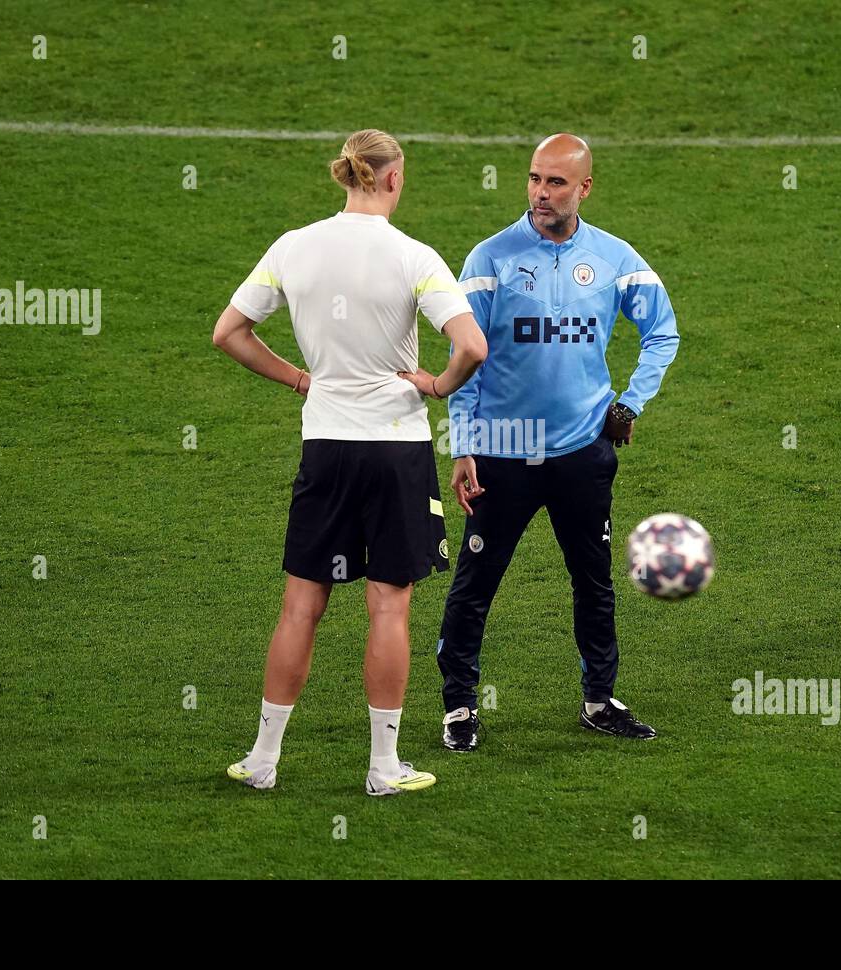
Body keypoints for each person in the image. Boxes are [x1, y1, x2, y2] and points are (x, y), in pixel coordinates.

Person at [211, 129, 487, 794]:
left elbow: (229, 334)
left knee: (300, 606)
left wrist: (301, 380)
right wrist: (437, 385)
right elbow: (471, 346)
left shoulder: (293, 247)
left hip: (326, 447)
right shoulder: (413, 256)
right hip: (396, 453)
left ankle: (263, 761)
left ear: (346, 177)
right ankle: (383, 768)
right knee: (388, 610)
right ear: (393, 179)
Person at [414, 132, 679, 751]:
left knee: (593, 581)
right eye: (534, 179)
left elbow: (661, 333)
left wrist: (630, 402)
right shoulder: (491, 258)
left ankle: (599, 699)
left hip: (583, 453)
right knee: (476, 584)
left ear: (584, 188)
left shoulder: (615, 259)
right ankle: (458, 708)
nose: (541, 193)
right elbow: (465, 359)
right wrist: (464, 446)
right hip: (504, 451)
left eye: (556, 182)